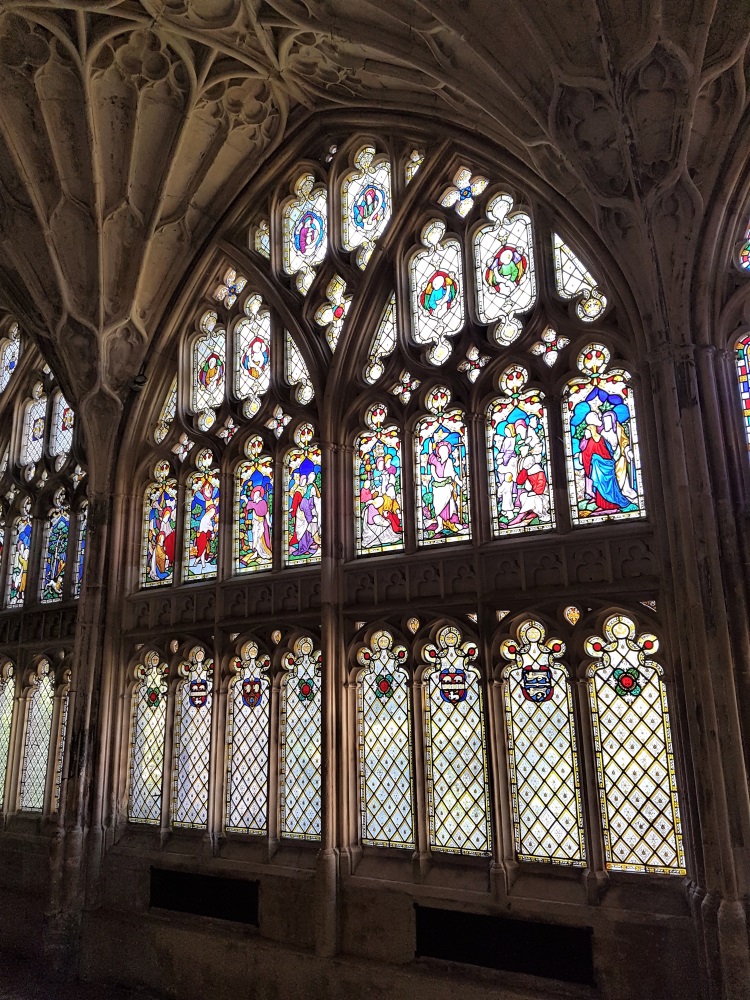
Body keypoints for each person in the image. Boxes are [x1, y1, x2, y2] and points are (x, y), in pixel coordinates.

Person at [579, 411, 632, 511]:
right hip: (602, 465)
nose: (605, 423)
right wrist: (586, 440)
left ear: (613, 422)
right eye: (604, 421)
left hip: (612, 461)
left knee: (613, 483)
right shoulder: (598, 435)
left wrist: (626, 450)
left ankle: (616, 500)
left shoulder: (616, 431)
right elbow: (586, 449)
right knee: (600, 484)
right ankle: (600, 502)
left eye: (608, 421)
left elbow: (622, 443)